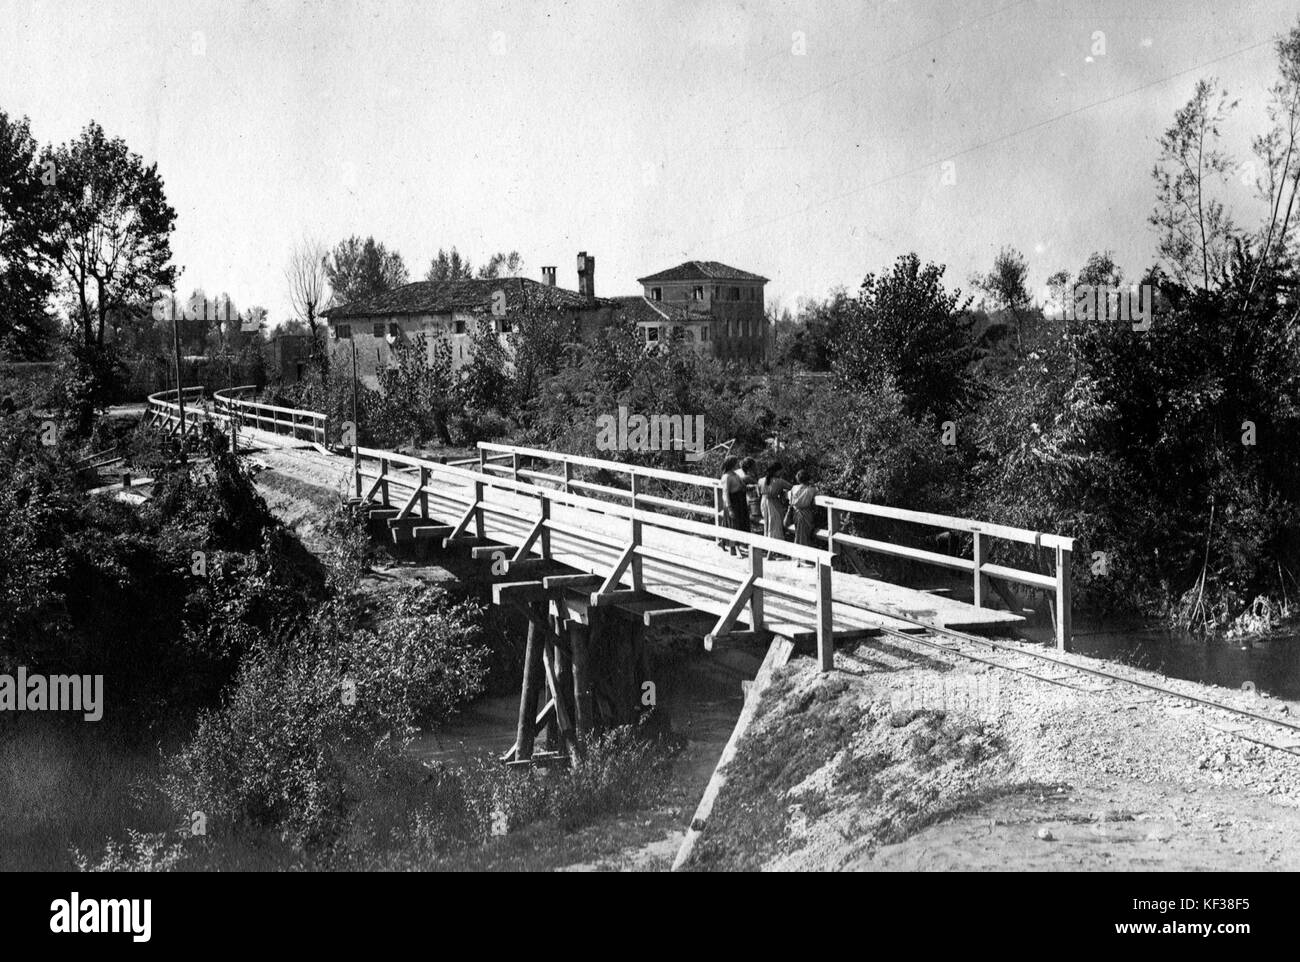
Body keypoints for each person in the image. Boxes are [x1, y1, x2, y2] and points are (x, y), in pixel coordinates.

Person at [757, 461, 792, 557]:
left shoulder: (760, 480)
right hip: (773, 503)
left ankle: (769, 550)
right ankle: (771, 552)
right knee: (775, 527)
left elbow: (758, 492)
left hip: (763, 502)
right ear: (776, 471)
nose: (782, 472)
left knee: (768, 525)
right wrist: (782, 492)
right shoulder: (779, 481)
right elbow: (792, 488)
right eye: (780, 470)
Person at [718, 456, 749, 556]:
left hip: (739, 500)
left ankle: (724, 542)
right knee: (733, 525)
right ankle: (735, 548)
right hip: (732, 501)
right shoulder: (726, 476)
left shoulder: (735, 474)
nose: (737, 464)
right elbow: (725, 493)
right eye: (735, 463)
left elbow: (741, 485)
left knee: (738, 524)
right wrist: (729, 508)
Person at [789, 469, 819, 567]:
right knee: (805, 535)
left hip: (796, 513)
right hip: (806, 513)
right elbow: (817, 491)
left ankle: (798, 559)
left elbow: (790, 497)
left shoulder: (794, 488)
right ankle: (804, 560)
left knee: (799, 534)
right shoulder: (811, 489)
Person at [740, 457, 760, 532]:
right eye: (754, 466)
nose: (756, 467)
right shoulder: (747, 478)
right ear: (750, 468)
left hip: (751, 504)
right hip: (751, 504)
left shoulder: (750, 477)